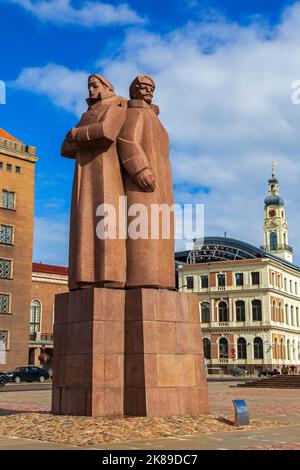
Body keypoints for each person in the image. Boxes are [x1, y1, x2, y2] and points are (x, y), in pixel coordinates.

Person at [61, 74, 127, 290]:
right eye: (89, 86)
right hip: (84, 174)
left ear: (106, 87)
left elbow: (107, 132)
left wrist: (76, 134)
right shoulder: (86, 114)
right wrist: (78, 137)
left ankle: (108, 275)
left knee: (106, 222)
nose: (90, 89)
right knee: (84, 225)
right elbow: (65, 149)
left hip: (106, 172)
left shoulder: (115, 106)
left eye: (94, 85)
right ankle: (84, 276)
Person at [117, 75, 175, 289]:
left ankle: (163, 281)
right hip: (142, 183)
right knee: (143, 231)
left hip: (162, 186)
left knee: (162, 232)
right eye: (141, 86)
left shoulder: (155, 118)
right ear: (133, 91)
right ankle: (143, 280)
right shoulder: (135, 111)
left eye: (151, 87)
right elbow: (127, 140)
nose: (147, 90)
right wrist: (139, 169)